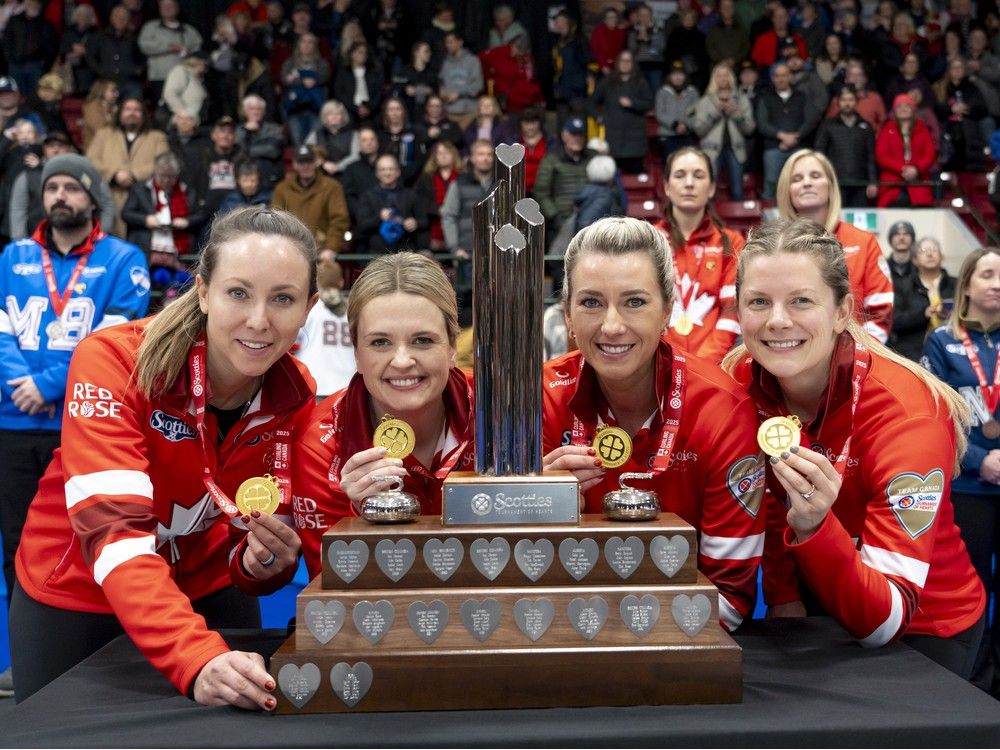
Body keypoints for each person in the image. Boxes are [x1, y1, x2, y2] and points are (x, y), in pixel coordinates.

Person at [10, 205, 319, 705]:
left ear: (309, 307)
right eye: (238, 293)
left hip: (205, 588)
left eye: (282, 299)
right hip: (77, 592)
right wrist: (194, 656)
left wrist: (265, 562)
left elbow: (254, 540)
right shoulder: (112, 361)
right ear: (202, 290)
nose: (259, 321)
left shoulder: (297, 393)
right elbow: (113, 534)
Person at [726, 217, 985, 679]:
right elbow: (762, 497)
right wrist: (785, 598)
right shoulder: (740, 381)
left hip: (924, 623)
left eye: (801, 300)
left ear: (843, 311)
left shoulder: (908, 414)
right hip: (817, 605)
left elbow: (885, 620)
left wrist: (814, 526)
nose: (777, 320)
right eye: (759, 302)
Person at [541, 217, 765, 632]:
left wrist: (603, 629)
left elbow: (730, 599)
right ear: (567, 314)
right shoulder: (537, 400)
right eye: (590, 302)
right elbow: (509, 584)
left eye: (634, 302)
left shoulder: (724, 411)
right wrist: (537, 511)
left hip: (679, 660)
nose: (611, 325)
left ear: (667, 309)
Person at [0, 153, 150, 697]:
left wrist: (47, 386)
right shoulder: (12, 257)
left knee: (93, 536)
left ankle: (107, 652)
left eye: (70, 187)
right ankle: (28, 655)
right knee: (19, 544)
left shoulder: (122, 259)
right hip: (12, 424)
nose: (59, 196)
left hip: (79, 424)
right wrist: (26, 384)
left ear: (91, 197)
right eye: (51, 187)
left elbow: (110, 343)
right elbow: (0, 336)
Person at [292, 251, 474, 577]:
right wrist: (357, 518)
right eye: (380, 343)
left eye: (422, 340)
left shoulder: (500, 415)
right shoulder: (319, 445)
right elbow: (335, 590)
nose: (402, 360)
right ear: (356, 353)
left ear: (450, 346)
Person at [922, 247, 1000, 693]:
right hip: (969, 486)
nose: (996, 283)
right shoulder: (941, 341)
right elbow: (938, 413)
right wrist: (977, 460)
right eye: (986, 274)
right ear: (966, 284)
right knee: (975, 589)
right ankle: (978, 680)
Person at [775, 149, 894, 344]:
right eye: (796, 178)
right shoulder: (773, 247)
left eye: (815, 175)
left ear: (831, 186)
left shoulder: (863, 242)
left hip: (853, 359)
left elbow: (881, 311)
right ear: (786, 190)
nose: (806, 183)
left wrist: (854, 358)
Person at [654, 147, 744, 364]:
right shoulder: (649, 240)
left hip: (713, 366)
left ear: (711, 188)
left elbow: (731, 310)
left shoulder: (731, 242)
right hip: (658, 364)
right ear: (667, 186)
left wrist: (703, 365)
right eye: (680, 175)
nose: (689, 183)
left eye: (698, 175)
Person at [86, 96, 170, 237]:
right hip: (108, 198)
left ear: (144, 115)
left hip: (145, 203)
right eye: (127, 109)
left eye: (137, 110)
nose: (132, 113)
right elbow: (90, 161)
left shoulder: (157, 137)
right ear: (120, 113)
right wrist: (115, 174)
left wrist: (133, 175)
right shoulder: (103, 134)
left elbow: (164, 163)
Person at [692, 62, 756, 201]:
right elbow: (699, 130)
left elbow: (750, 129)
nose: (723, 79)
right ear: (714, 79)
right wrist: (715, 113)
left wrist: (736, 114)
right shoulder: (705, 101)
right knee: (709, 193)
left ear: (731, 78)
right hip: (711, 150)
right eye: (719, 76)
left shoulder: (742, 99)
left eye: (726, 75)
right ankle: (709, 222)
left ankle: (740, 222)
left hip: (736, 150)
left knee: (738, 191)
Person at [294, 257, 356, 400]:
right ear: (341, 282)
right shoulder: (353, 310)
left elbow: (293, 342)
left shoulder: (311, 307)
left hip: (315, 384)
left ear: (316, 282)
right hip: (347, 387)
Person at [271, 145, 349, 257]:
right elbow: (276, 221)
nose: (306, 166)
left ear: (316, 162)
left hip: (322, 252)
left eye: (309, 161)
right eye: (301, 162)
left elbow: (339, 220)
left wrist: (331, 248)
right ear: (294, 164)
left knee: (330, 272)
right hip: (291, 252)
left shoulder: (332, 187)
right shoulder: (282, 189)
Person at [589, 50, 653, 175]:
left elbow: (649, 104)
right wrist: (598, 117)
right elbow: (591, 102)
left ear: (633, 64)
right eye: (622, 60)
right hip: (613, 139)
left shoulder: (641, 82)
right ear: (617, 63)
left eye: (628, 61)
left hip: (635, 140)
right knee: (613, 179)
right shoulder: (607, 82)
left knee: (634, 179)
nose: (625, 64)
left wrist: (632, 103)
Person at [813, 85, 878, 207]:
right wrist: (822, 179)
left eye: (850, 100)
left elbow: (871, 156)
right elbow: (819, 154)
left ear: (856, 102)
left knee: (859, 221)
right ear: (838, 102)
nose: (847, 103)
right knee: (837, 220)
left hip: (860, 183)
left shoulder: (865, 126)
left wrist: (873, 181)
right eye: (844, 100)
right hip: (835, 182)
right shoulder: (828, 125)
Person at [875, 93, 936, 208]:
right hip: (892, 184)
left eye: (906, 106)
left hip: (918, 182)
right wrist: (902, 168)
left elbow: (930, 154)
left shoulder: (922, 129)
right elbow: (881, 156)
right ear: (894, 111)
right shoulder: (886, 129)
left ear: (913, 109)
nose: (903, 109)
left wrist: (916, 169)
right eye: (899, 106)